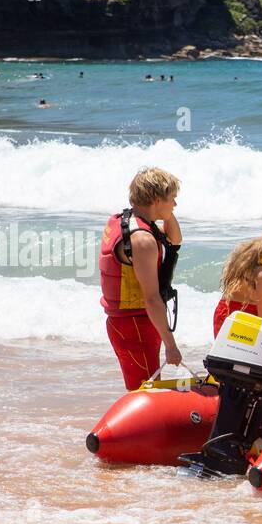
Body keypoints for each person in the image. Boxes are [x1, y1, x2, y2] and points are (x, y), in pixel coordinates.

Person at [98, 167, 184, 390]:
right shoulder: (143, 240)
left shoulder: (124, 220)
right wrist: (171, 345)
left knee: (143, 388)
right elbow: (152, 299)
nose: (175, 205)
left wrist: (165, 212)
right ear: (157, 199)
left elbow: (174, 240)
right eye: (172, 199)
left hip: (126, 323)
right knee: (146, 391)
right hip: (135, 325)